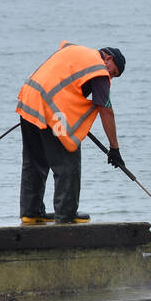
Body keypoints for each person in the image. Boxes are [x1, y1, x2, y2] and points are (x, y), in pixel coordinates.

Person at [15, 41, 127, 224]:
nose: (110, 78)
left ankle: (31, 212)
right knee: (68, 159)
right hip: (51, 110)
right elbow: (106, 110)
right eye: (113, 72)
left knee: (34, 160)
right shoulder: (99, 69)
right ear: (109, 58)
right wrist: (114, 148)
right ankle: (66, 215)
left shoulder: (75, 51)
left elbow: (64, 83)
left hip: (29, 100)